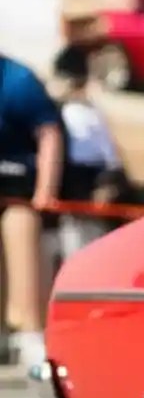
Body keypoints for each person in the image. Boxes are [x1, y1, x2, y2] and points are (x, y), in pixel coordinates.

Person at [0, 53, 64, 368]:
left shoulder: (18, 81)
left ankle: (28, 330)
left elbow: (49, 135)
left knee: (19, 226)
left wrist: (45, 191)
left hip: (18, 188)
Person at [51, 43, 128, 261]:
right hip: (71, 191)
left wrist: (107, 186)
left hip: (88, 189)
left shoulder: (86, 114)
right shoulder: (71, 113)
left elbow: (112, 161)